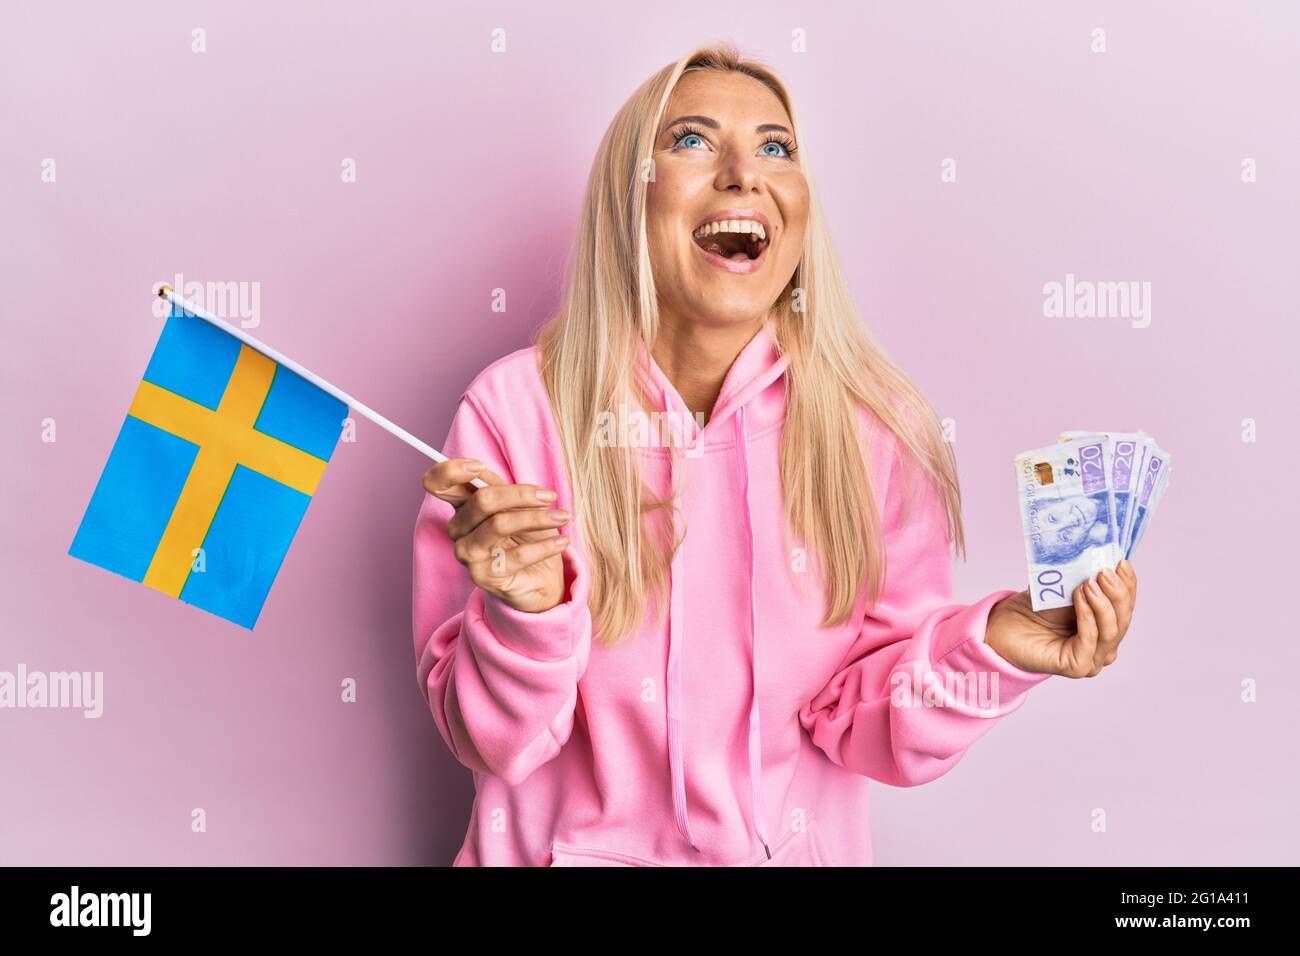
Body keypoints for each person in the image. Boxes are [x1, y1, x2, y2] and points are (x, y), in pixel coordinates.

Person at [411, 41, 1139, 867]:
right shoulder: (513, 411)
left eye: (776, 146)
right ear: (629, 198)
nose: (743, 172)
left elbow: (868, 729)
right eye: (690, 140)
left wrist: (995, 647)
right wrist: (528, 613)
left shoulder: (878, 426)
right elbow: (489, 741)